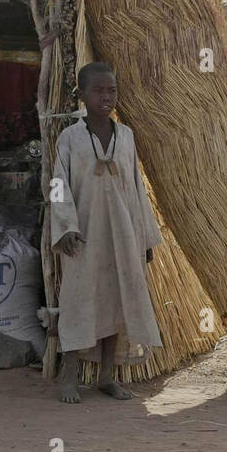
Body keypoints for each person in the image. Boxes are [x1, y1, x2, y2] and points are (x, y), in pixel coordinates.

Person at [49, 62, 164, 404]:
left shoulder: (126, 136)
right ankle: (69, 378)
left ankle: (106, 377)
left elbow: (137, 189)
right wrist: (66, 227)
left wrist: (144, 237)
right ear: (82, 94)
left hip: (123, 233)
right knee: (77, 300)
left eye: (111, 90)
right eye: (98, 90)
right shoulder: (69, 138)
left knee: (115, 300)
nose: (106, 96)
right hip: (83, 235)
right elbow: (58, 186)